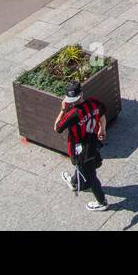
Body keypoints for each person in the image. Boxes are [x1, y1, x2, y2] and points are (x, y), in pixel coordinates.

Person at [54, 82, 109, 211]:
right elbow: (102, 116)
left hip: (80, 147)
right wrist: (102, 129)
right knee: (84, 166)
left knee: (90, 175)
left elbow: (57, 127)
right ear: (82, 94)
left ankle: (102, 201)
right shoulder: (94, 103)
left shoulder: (72, 114)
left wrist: (62, 110)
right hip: (93, 141)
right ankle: (74, 182)